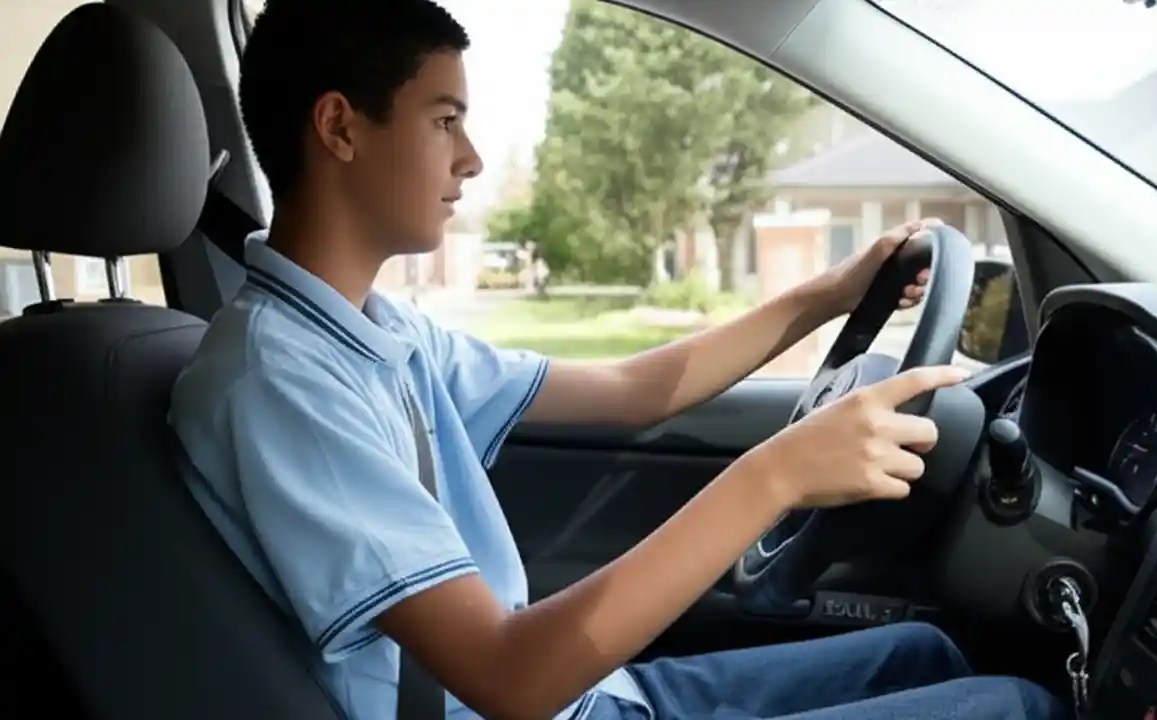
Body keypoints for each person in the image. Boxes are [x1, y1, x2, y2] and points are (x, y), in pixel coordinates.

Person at [168, 1, 1068, 719]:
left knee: (927, 655)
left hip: (598, 697)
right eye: (445, 121)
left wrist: (826, 295)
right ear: (339, 127)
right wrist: (781, 473)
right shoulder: (280, 382)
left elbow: (635, 392)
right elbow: (506, 680)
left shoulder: (378, 334)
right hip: (534, 699)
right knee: (1015, 705)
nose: (473, 159)